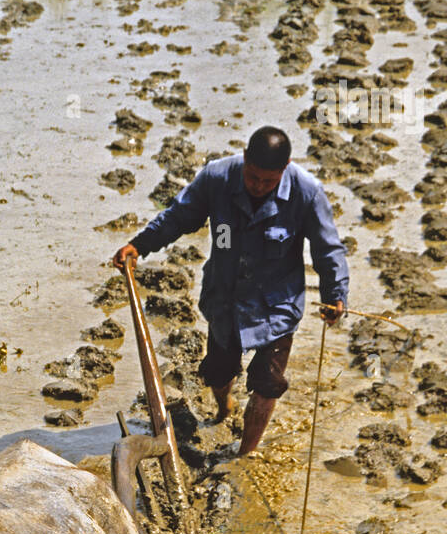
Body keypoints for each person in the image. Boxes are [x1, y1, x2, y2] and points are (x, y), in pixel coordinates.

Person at [113, 126, 349, 457]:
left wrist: (335, 294)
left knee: (268, 383)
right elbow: (178, 217)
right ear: (244, 160)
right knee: (219, 370)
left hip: (276, 304)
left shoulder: (307, 192)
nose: (258, 187)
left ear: (285, 169)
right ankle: (224, 407)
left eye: (269, 182)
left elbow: (329, 250)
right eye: (253, 178)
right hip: (226, 295)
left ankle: (245, 452)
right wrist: (139, 245)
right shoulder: (217, 178)